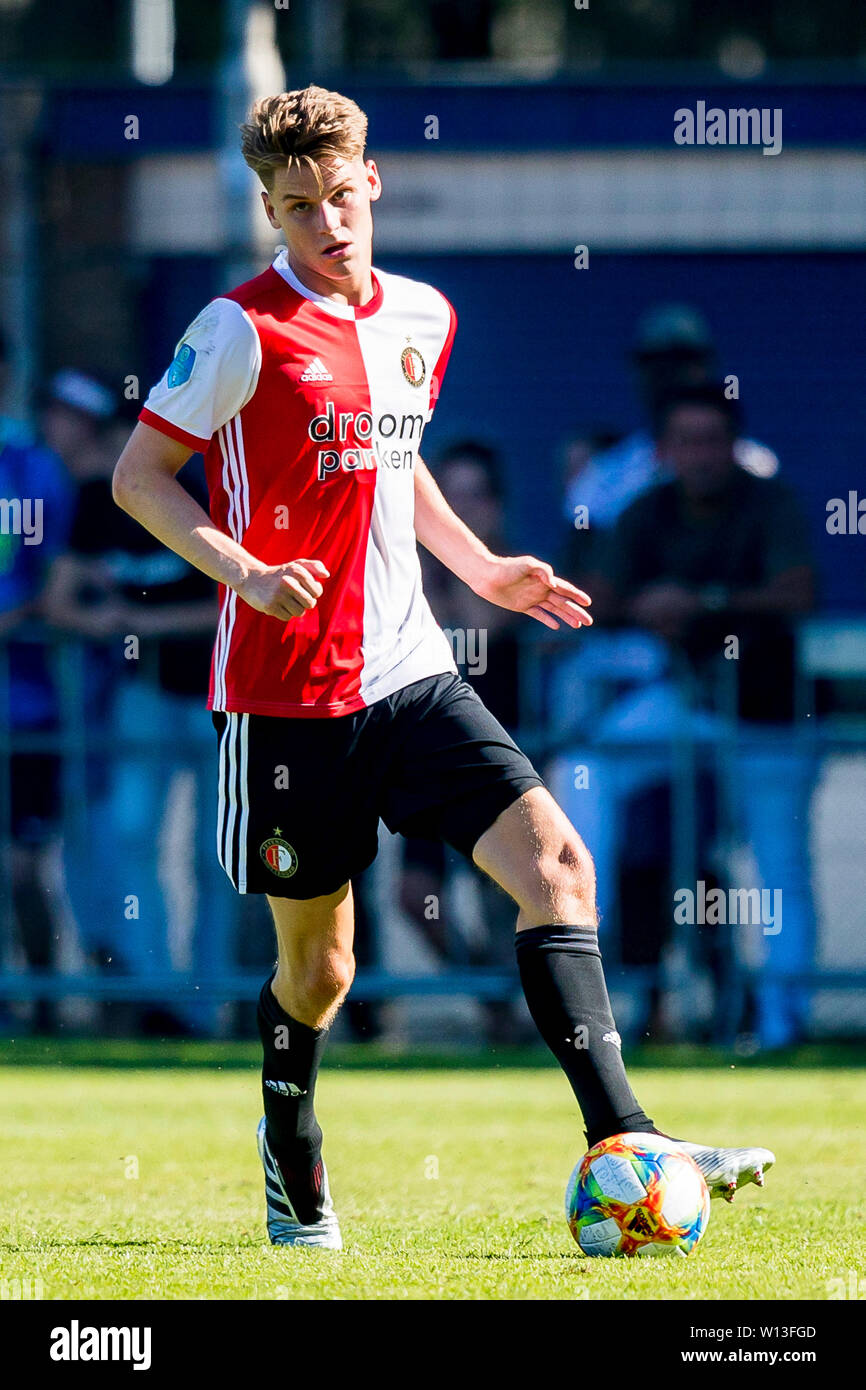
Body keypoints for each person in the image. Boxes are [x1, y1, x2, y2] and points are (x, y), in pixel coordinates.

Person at [112, 85, 774, 1249]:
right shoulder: (236, 330)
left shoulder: (421, 314)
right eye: (295, 205)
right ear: (270, 209)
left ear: (372, 185)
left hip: (412, 670)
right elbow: (139, 479)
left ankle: (626, 1138)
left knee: (557, 866)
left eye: (338, 197)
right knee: (323, 971)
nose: (324, 222)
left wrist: (482, 567)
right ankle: (289, 1138)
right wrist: (245, 570)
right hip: (286, 705)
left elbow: (397, 455)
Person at [559, 382, 817, 1049]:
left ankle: (784, 1022)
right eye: (686, 441)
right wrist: (646, 604)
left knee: (778, 861)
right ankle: (583, 975)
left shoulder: (770, 500)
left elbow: (799, 592)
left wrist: (702, 601)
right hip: (681, 702)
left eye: (712, 440)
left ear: (735, 444)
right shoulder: (648, 509)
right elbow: (599, 598)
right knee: (585, 769)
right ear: (666, 450)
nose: (699, 455)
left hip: (765, 710)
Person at [45, 397, 231, 1035]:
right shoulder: (102, 501)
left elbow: (237, 601)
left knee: (220, 859)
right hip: (142, 696)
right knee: (129, 838)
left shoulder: (207, 490)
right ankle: (161, 999)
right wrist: (104, 621)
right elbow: (57, 599)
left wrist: (140, 621)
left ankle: (210, 1003)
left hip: (215, 696)